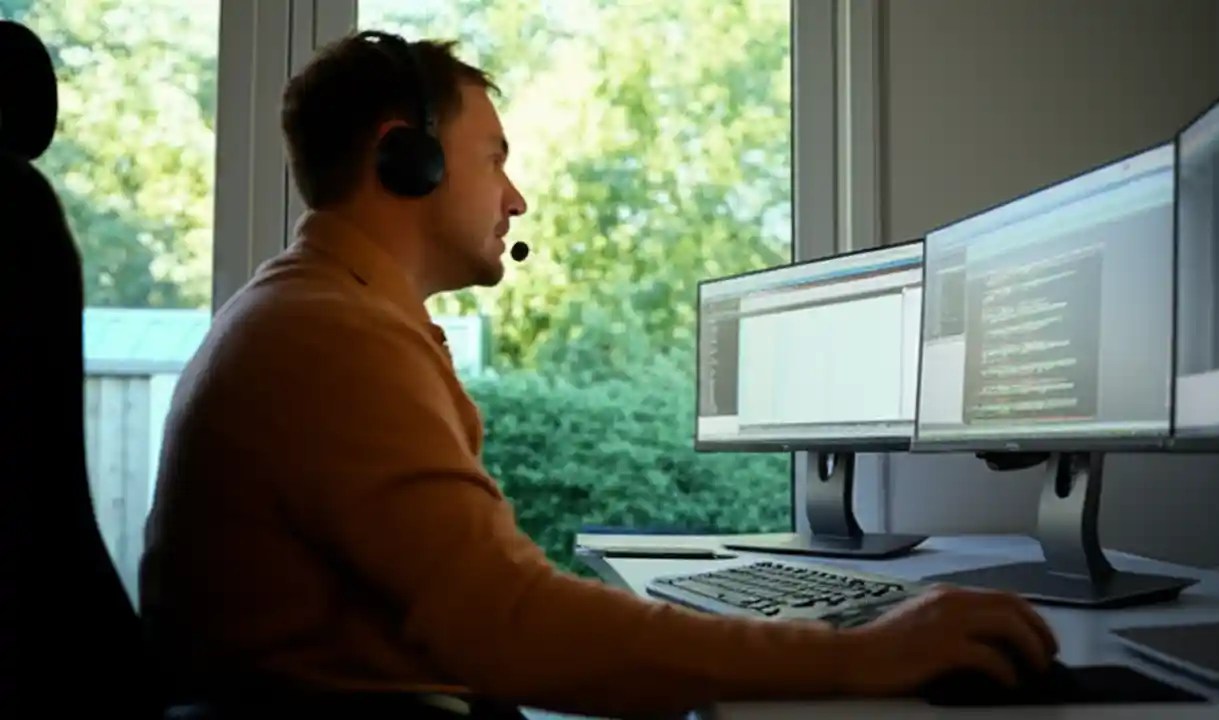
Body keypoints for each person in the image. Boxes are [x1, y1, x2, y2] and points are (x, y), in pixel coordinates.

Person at [139, 29, 1059, 718]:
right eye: (495, 158)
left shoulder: (320, 312)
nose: (516, 195)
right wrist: (859, 653)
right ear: (402, 157)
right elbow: (511, 629)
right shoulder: (330, 339)